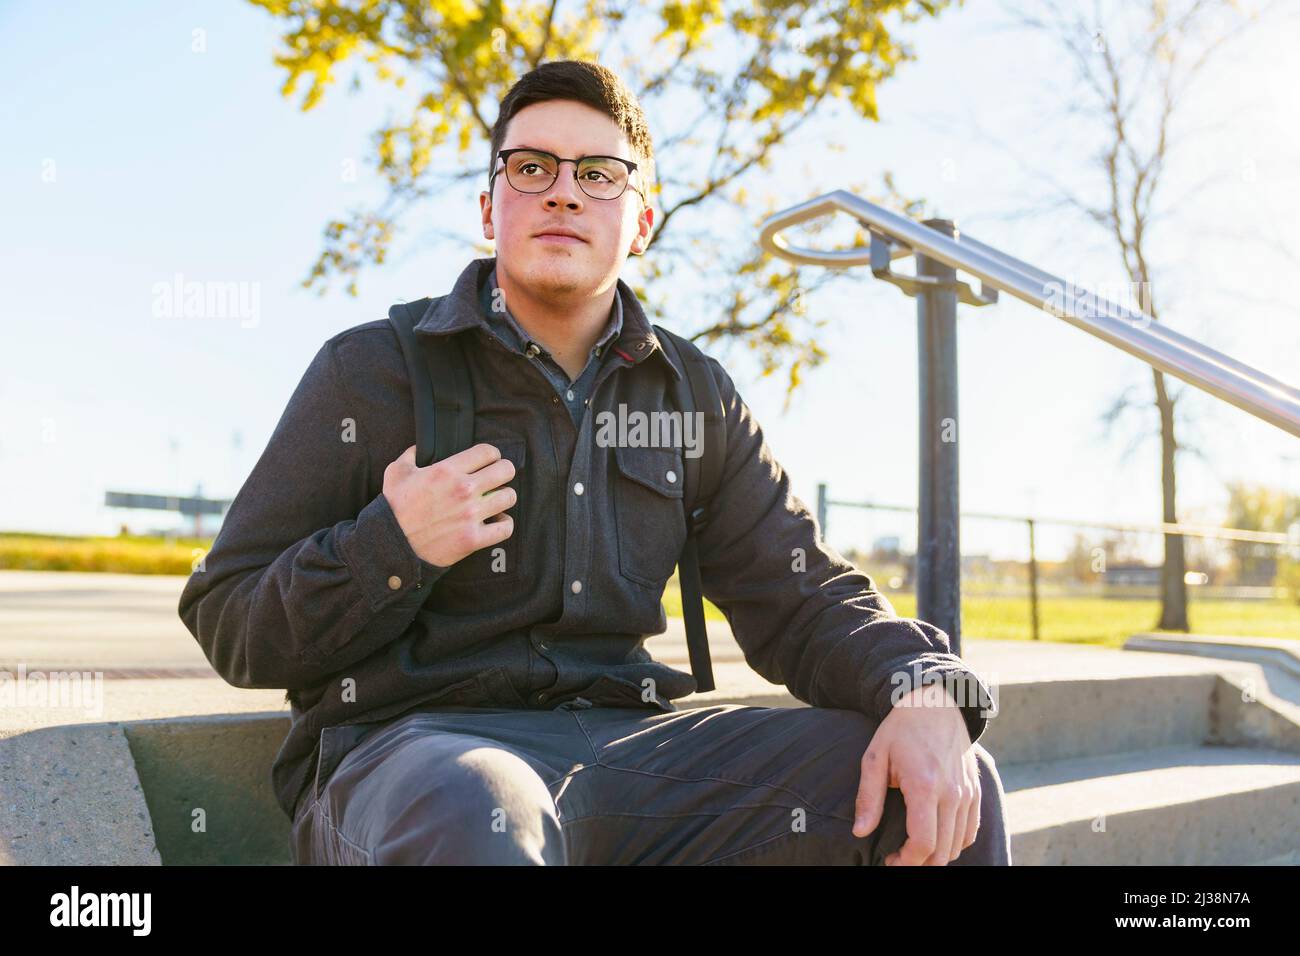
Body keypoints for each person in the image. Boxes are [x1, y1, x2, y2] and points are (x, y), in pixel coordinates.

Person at [178, 59, 1010, 866]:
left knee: (938, 778)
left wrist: (924, 683)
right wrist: (392, 547)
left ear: (642, 221)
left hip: (635, 755)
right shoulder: (372, 371)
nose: (564, 191)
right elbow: (231, 620)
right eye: (531, 167)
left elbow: (801, 596)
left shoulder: (696, 397)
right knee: (483, 809)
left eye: (600, 173)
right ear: (490, 207)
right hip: (416, 756)